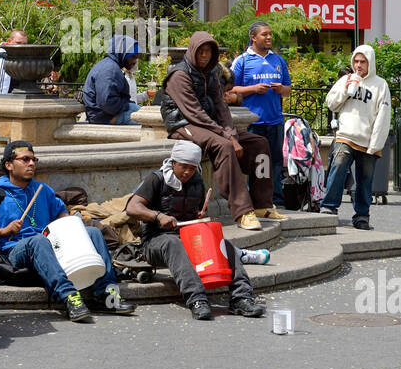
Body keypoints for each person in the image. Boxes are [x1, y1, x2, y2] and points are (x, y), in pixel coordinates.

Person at [0, 139, 136, 322]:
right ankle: (69, 297)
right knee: (38, 241)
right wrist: (4, 231)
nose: (32, 164)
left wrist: (69, 225)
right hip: (14, 251)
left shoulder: (42, 190)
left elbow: (61, 213)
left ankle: (106, 294)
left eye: (34, 159)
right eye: (25, 159)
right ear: (9, 165)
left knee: (93, 233)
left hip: (48, 244)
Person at [125, 141, 265, 319]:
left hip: (189, 237)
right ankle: (197, 299)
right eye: (183, 166)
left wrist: (200, 215)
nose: (187, 172)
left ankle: (241, 297)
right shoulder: (157, 179)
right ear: (173, 162)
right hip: (156, 242)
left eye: (192, 168)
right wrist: (158, 216)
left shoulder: (197, 181)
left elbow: (197, 211)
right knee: (172, 243)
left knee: (225, 246)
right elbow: (132, 207)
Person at [161, 31, 280, 231]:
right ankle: (242, 211)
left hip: (209, 125)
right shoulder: (179, 75)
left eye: (208, 51)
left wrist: (231, 133)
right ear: (192, 50)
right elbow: (194, 113)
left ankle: (262, 204)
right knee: (224, 146)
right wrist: (228, 138)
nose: (204, 55)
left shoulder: (212, 73)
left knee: (259, 143)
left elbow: (221, 107)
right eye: (200, 51)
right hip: (183, 124)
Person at [320, 44, 391, 230]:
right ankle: (328, 207)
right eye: (356, 61)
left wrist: (376, 144)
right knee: (338, 167)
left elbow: (383, 116)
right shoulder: (347, 79)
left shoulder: (381, 85)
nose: (358, 65)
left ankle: (361, 215)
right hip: (345, 135)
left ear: (370, 63)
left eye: (363, 61)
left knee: (365, 179)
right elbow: (331, 104)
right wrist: (345, 90)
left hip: (367, 140)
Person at [231, 22, 292, 209]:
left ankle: (275, 199)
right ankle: (253, 200)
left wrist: (281, 89)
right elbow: (230, 89)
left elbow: (288, 89)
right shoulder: (242, 61)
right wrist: (253, 89)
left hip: (275, 121)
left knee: (275, 162)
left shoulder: (278, 60)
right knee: (254, 163)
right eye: (264, 34)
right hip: (252, 122)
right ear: (253, 37)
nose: (269, 37)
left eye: (270, 34)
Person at [81, 33, 141, 125]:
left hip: (104, 114)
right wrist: (126, 105)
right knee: (147, 122)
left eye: (136, 57)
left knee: (145, 114)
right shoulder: (110, 70)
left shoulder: (111, 66)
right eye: (132, 56)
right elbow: (106, 103)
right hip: (104, 117)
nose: (134, 61)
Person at [0, 29, 27, 97]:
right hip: (1, 102)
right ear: (9, 41)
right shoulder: (3, 59)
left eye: (24, 44)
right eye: (18, 43)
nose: (22, 47)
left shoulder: (13, 58)